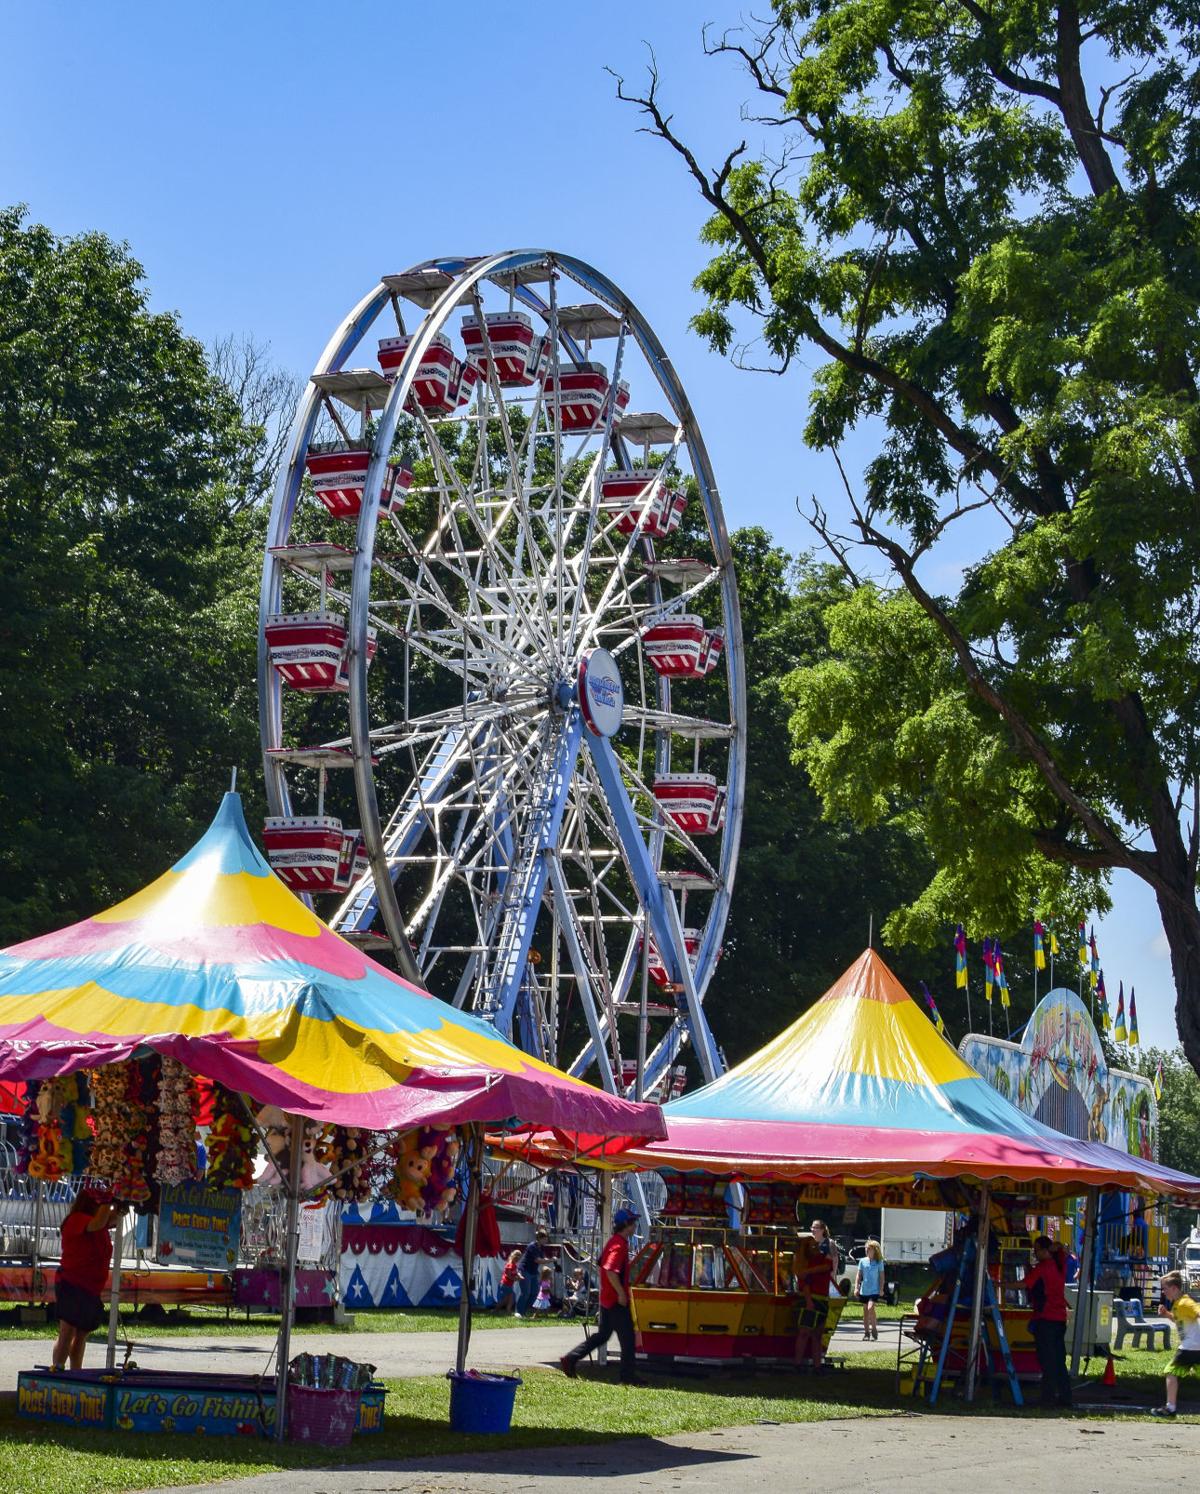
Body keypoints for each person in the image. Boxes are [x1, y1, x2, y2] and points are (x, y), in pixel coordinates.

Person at [560, 1208, 642, 1385]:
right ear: (626, 1225)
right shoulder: (619, 1245)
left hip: (607, 1300)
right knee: (628, 1339)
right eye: (633, 1222)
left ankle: (570, 1358)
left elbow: (600, 1265)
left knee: (603, 1336)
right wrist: (620, 1292)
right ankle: (627, 1377)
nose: (635, 1225)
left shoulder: (613, 1242)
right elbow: (610, 1270)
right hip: (616, 1301)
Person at [52, 1191, 123, 1372]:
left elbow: (114, 1218)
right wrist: (108, 1201)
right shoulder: (77, 1219)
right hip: (72, 1283)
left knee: (82, 1333)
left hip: (91, 1288)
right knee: (67, 1331)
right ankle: (58, 1370)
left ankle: (76, 1372)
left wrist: (123, 1202)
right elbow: (98, 1222)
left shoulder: (100, 1223)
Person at [1024, 1235, 1072, 1407]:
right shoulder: (1059, 1263)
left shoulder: (1043, 1268)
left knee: (1047, 1361)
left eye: (1037, 1250)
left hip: (1046, 1318)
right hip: (1059, 1319)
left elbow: (1025, 1284)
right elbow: (1063, 1249)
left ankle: (1048, 1398)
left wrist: (1000, 1285)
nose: (1035, 1254)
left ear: (1044, 1250)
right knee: (1059, 1360)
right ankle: (1065, 1397)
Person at [1152, 1269, 1200, 1417]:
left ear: (1174, 1288)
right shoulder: (1178, 1304)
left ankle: (1170, 1408)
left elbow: (1197, 1311)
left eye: (1165, 1289)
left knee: (1171, 1372)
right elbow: (1179, 1320)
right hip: (1195, 1347)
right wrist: (1167, 1315)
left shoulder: (1185, 1302)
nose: (1163, 1292)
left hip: (1189, 1347)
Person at [792, 1230, 834, 1371]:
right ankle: (797, 1364)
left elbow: (828, 1266)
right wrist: (809, 1301)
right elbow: (805, 1285)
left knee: (817, 1335)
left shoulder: (822, 1258)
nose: (815, 1248)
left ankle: (817, 1366)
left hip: (823, 1300)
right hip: (812, 1300)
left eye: (815, 1245)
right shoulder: (803, 1262)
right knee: (804, 1333)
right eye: (811, 1246)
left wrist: (809, 1271)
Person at [855, 1239, 885, 1342]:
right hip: (864, 1290)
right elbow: (859, 1275)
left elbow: (881, 1277)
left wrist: (881, 1289)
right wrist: (856, 1287)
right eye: (866, 1249)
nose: (867, 1250)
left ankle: (874, 1329)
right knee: (865, 1312)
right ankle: (866, 1333)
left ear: (874, 1250)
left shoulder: (879, 1262)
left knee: (870, 1307)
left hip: (874, 1290)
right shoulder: (862, 1261)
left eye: (869, 1249)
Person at [515, 1226, 549, 1317]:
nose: (546, 1241)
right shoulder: (532, 1246)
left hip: (533, 1272)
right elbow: (538, 1260)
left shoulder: (541, 1247)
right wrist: (550, 1260)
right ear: (540, 1238)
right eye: (545, 1239)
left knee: (535, 1292)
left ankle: (525, 1311)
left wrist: (548, 1259)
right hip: (525, 1270)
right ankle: (518, 1311)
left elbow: (543, 1257)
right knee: (525, 1292)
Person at [495, 1248, 522, 1313]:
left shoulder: (514, 1265)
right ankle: (499, 1310)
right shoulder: (509, 1265)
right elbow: (508, 1275)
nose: (518, 1260)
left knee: (509, 1298)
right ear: (514, 1257)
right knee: (508, 1299)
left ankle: (503, 1310)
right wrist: (515, 1279)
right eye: (517, 1258)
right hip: (505, 1284)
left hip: (509, 1284)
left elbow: (516, 1272)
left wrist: (519, 1276)